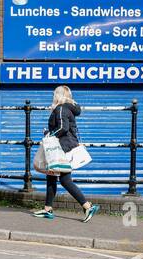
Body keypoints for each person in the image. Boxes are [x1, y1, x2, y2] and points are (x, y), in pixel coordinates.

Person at [33, 85, 98, 222]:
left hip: (62, 147)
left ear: (58, 95)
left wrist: (49, 135)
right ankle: (47, 209)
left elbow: (63, 128)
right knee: (51, 176)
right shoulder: (67, 108)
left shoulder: (61, 108)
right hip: (64, 145)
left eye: (54, 94)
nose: (53, 96)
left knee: (64, 179)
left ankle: (87, 206)